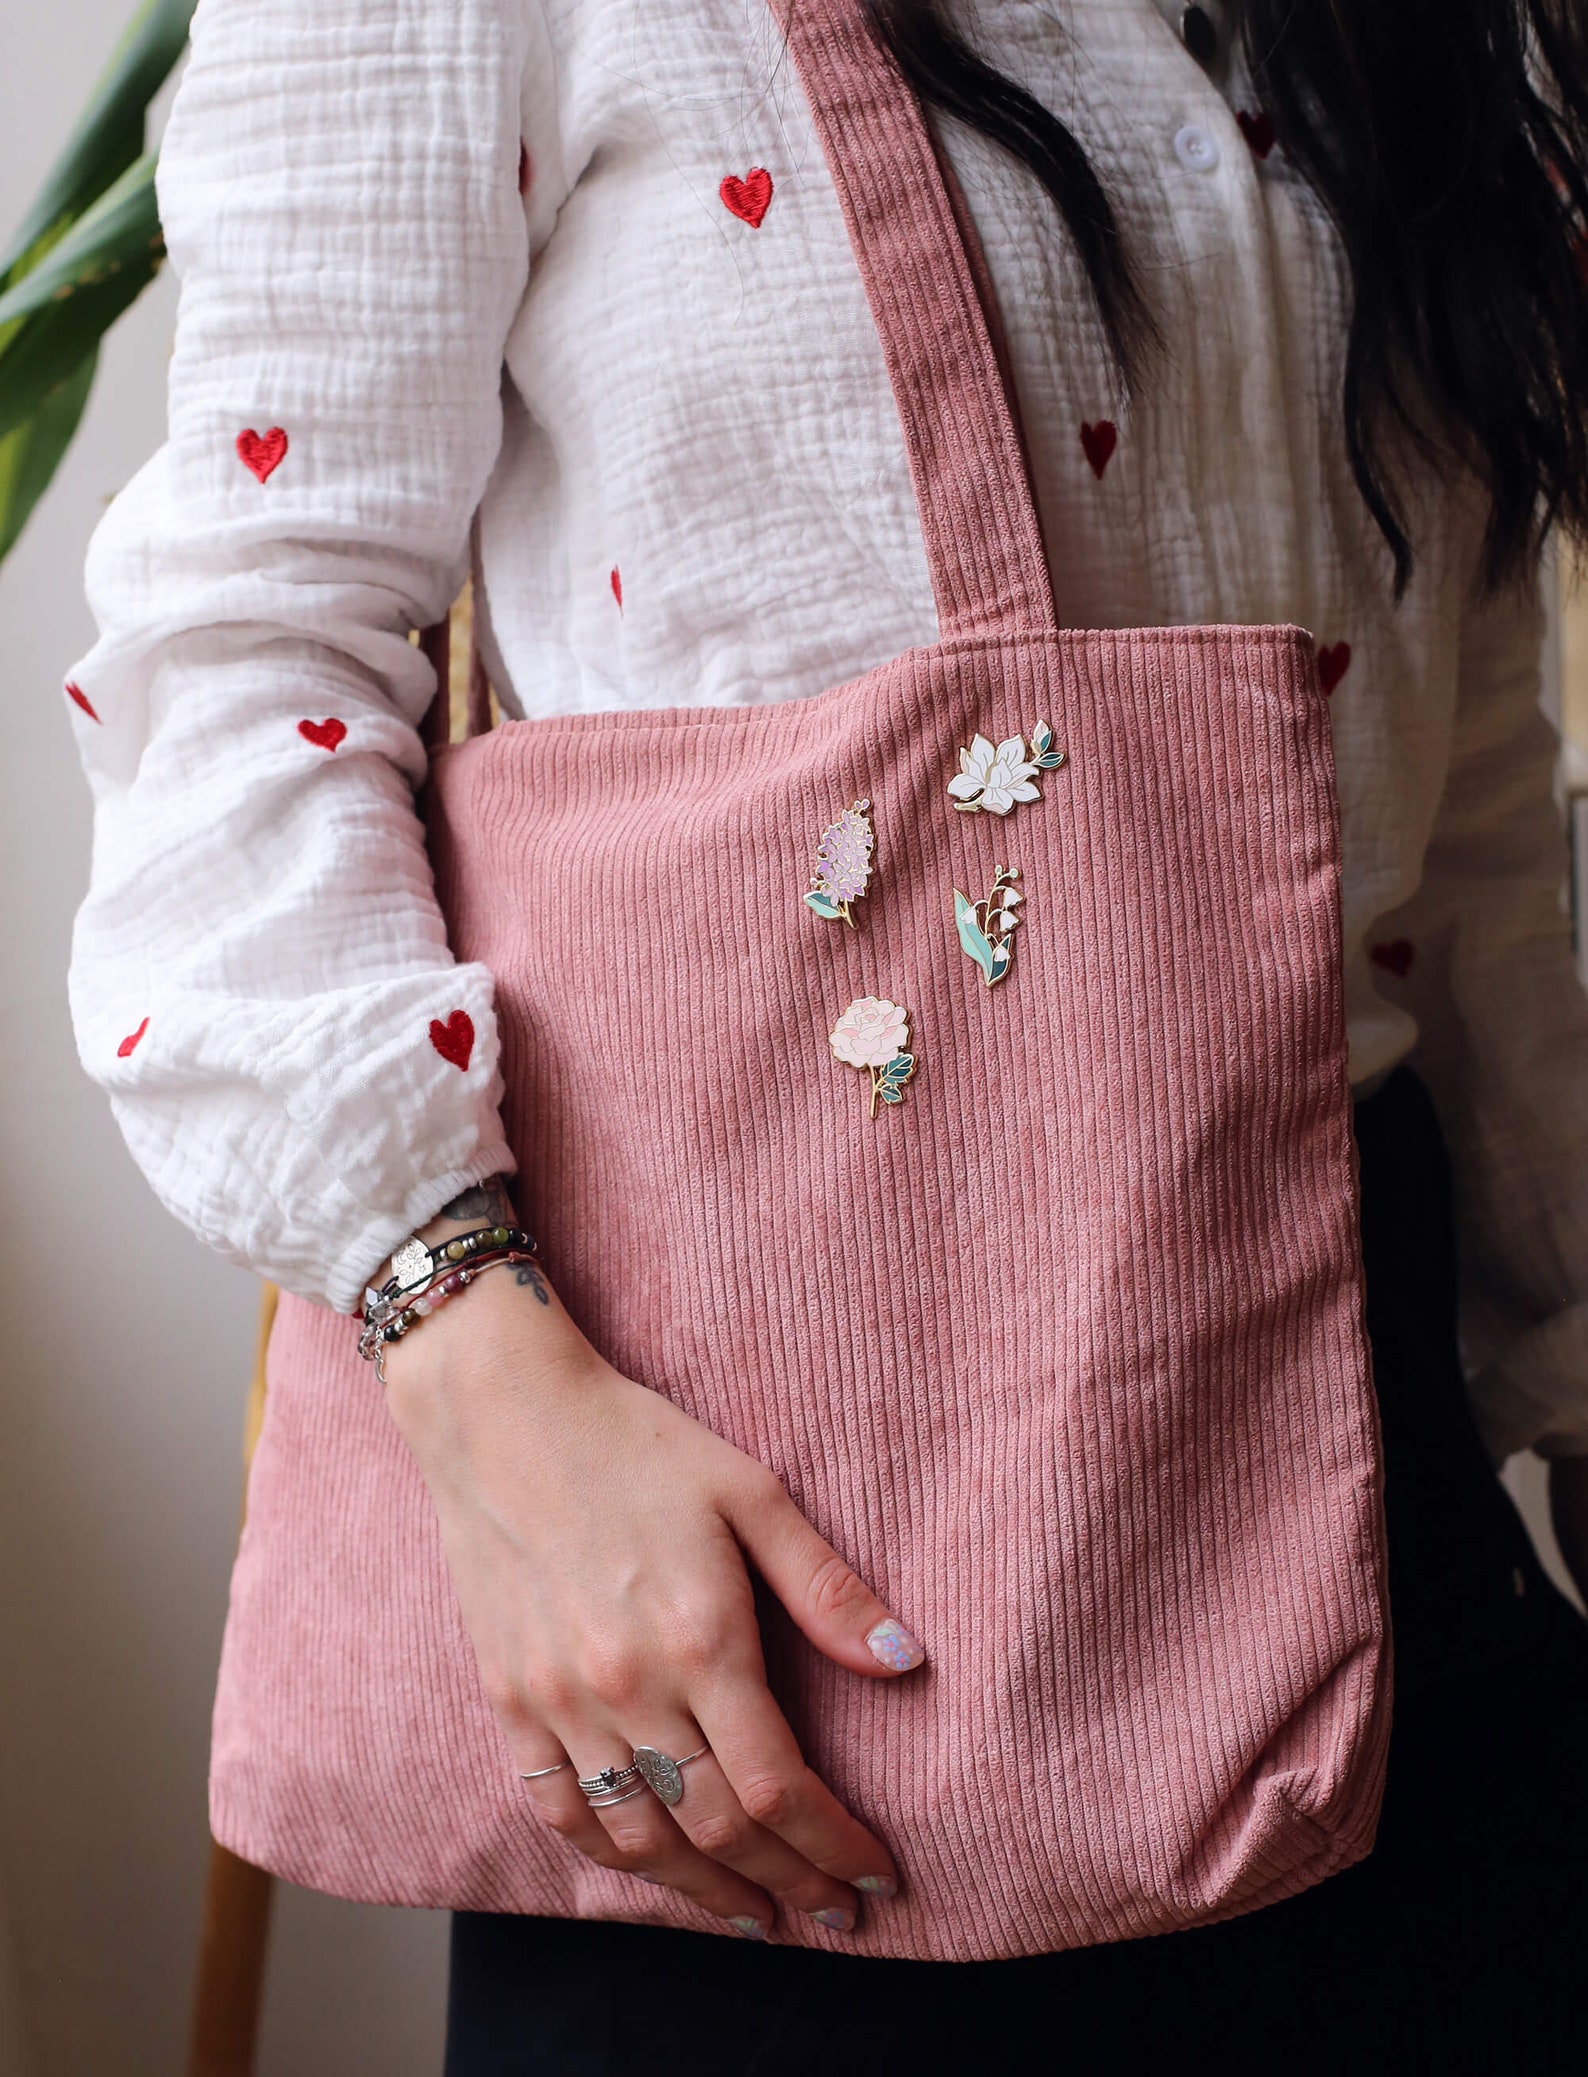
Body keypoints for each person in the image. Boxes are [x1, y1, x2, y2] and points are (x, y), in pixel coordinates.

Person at [64, 0, 1588, 2069]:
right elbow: (243, 656)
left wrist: (1564, 1357)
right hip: (766, 1551)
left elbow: (1458, 744)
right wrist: (478, 1380)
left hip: (1386, 1479)